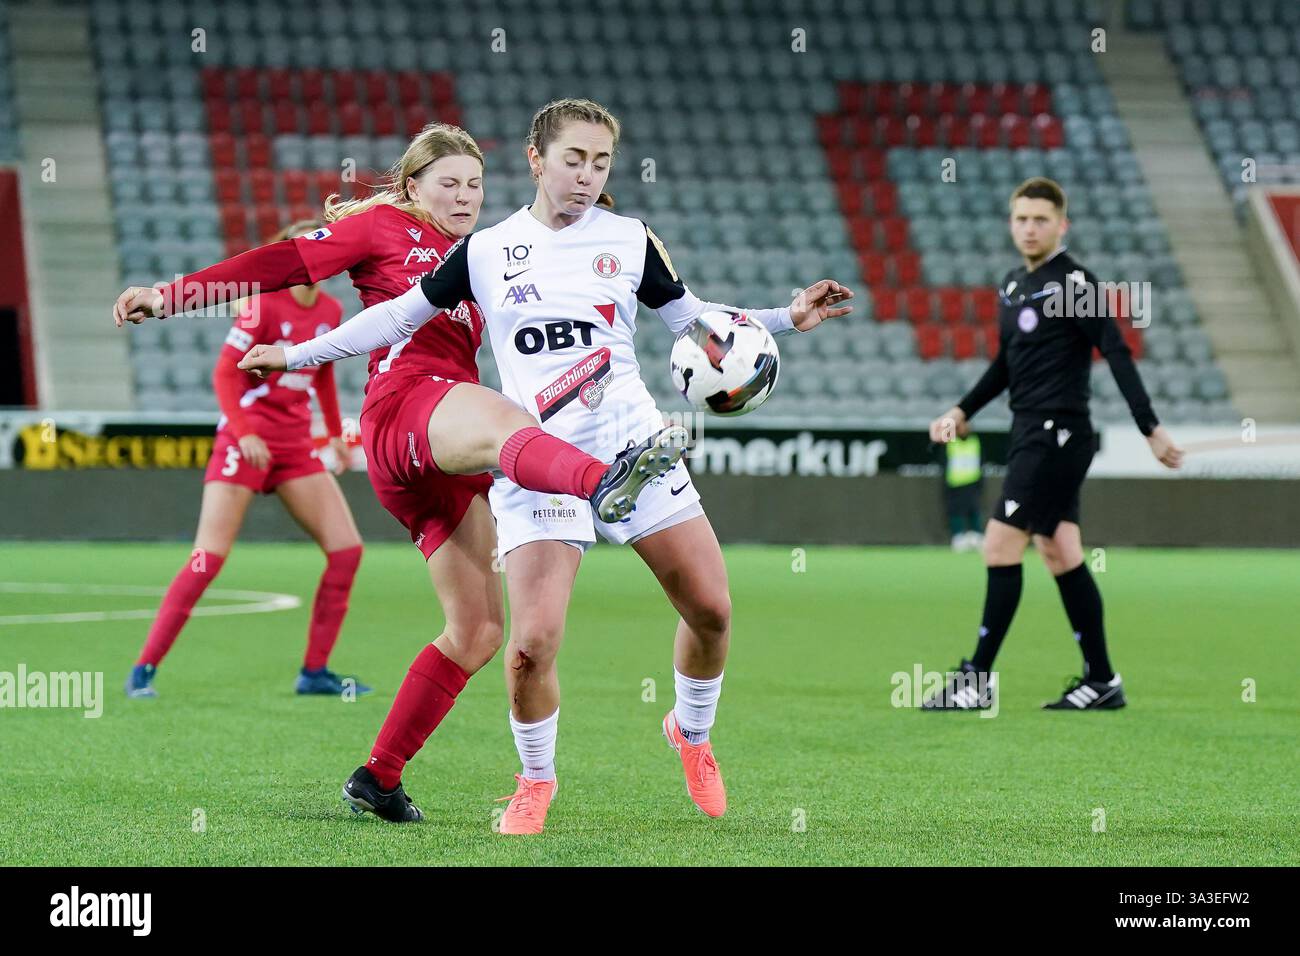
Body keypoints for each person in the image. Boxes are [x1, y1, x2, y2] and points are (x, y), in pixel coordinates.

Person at [242, 98, 855, 832]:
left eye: (601, 162)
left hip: (632, 440)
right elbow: (396, 318)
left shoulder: (630, 240)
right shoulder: (487, 251)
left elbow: (696, 318)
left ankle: (691, 733)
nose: (588, 176)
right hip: (534, 458)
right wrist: (296, 353)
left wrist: (787, 318)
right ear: (537, 160)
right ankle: (535, 782)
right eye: (574, 160)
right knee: (530, 645)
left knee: (713, 610)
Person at [115, 123, 685, 819]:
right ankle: (605, 482)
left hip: (443, 453)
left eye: (475, 184)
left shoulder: (486, 255)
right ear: (412, 186)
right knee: (512, 424)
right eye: (448, 182)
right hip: (406, 407)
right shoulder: (386, 226)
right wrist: (170, 295)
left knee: (477, 632)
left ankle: (379, 777)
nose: (465, 195)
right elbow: (285, 263)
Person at [924, 177, 1183, 711]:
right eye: (1021, 218)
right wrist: (962, 410)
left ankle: (976, 680)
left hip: (1058, 436)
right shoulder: (1013, 284)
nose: (1029, 228)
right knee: (1060, 551)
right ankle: (1103, 681)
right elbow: (1006, 365)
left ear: (1061, 224)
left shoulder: (1076, 284)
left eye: (1040, 219)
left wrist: (1150, 428)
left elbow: (1116, 351)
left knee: (999, 544)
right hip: (1030, 432)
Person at [124, 220, 367, 698]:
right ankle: (144, 669)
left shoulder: (332, 308)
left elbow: (320, 373)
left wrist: (336, 434)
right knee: (206, 560)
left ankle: (314, 672)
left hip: (295, 445)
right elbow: (224, 375)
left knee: (347, 551)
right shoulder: (263, 306)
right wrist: (245, 432)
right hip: (245, 442)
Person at [943, 432, 984, 552]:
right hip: (955, 483)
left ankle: (977, 536)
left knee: (974, 510)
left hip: (972, 482)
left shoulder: (975, 441)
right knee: (955, 511)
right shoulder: (950, 442)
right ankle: (958, 537)